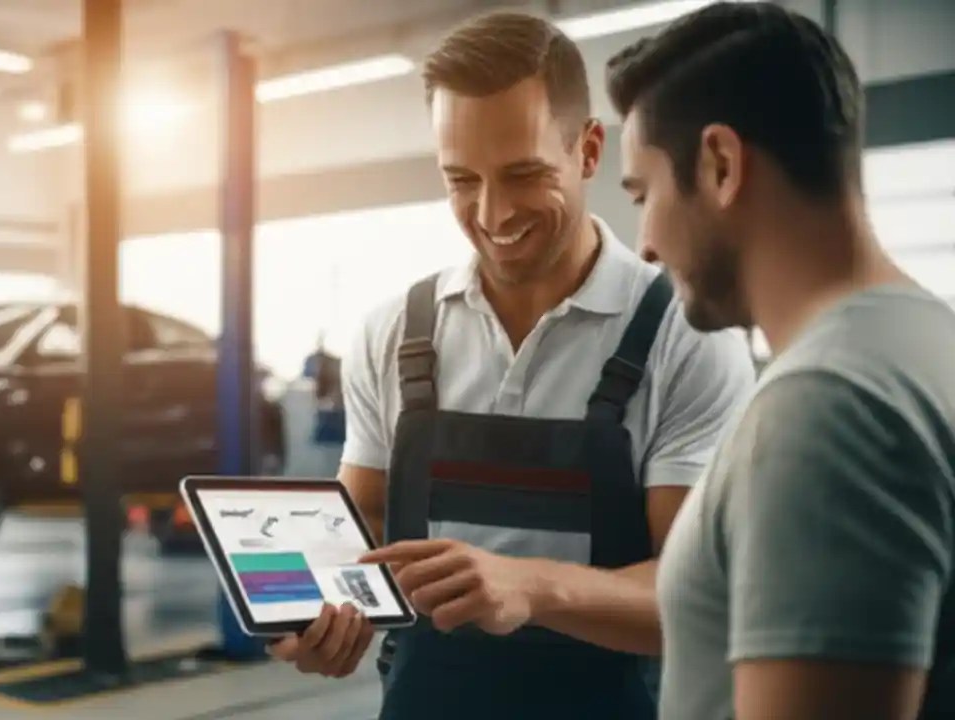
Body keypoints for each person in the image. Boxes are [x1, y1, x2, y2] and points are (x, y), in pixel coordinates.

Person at [268, 11, 756, 719]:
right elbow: (358, 537)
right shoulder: (392, 335)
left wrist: (529, 588)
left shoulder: (686, 337)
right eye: (461, 180)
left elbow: (702, 597)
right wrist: (311, 620)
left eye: (523, 174)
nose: (492, 213)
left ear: (588, 151)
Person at [605, 3, 955, 719]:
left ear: (721, 165)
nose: (642, 242)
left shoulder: (827, 406)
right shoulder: (924, 340)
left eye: (644, 195)